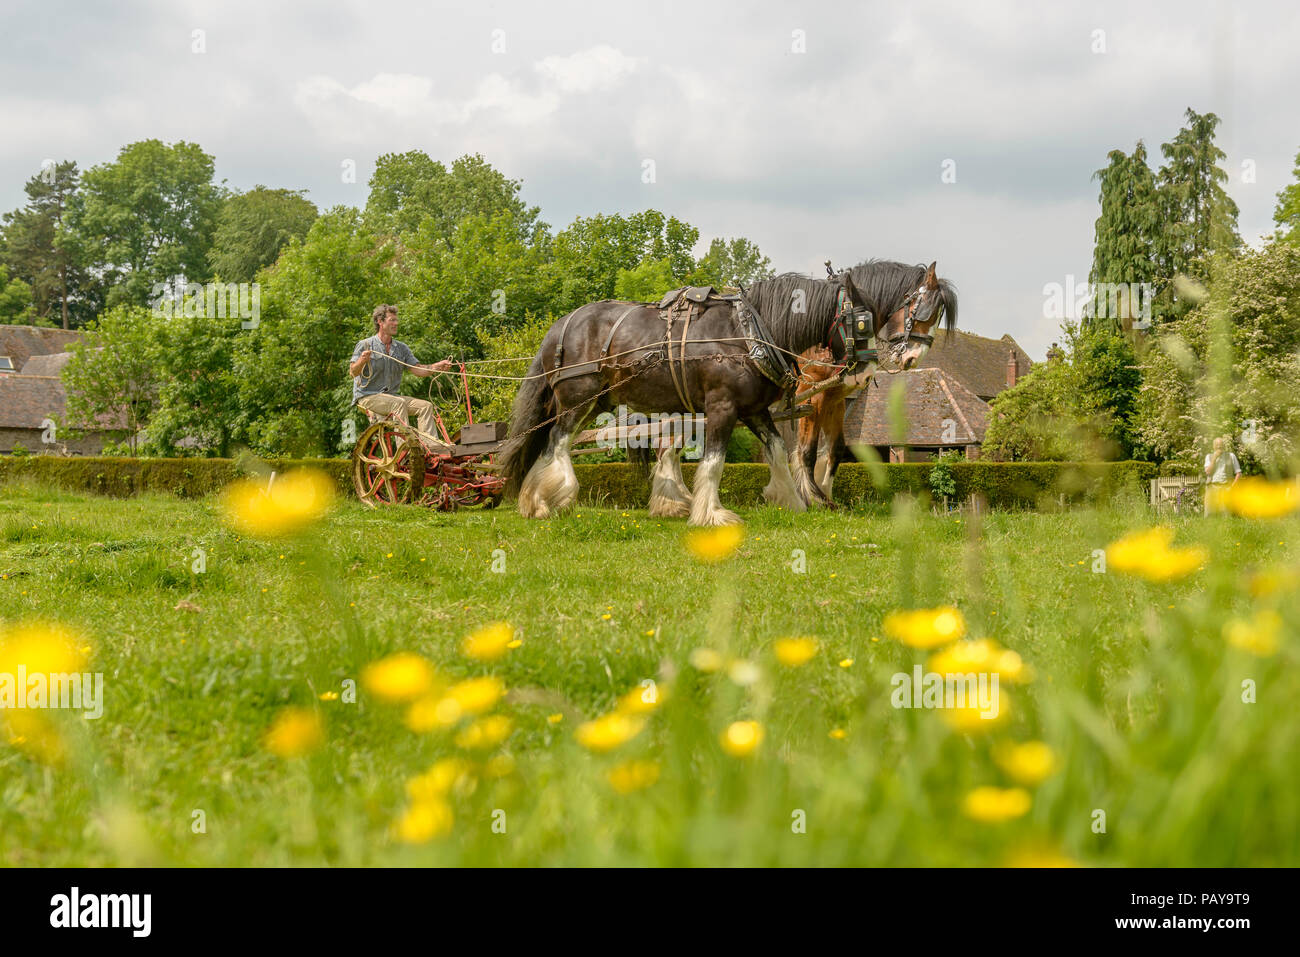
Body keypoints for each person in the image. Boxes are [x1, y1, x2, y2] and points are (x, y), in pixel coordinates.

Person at [349, 304, 452, 436]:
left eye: (396, 320)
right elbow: (353, 372)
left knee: (426, 407)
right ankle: (406, 450)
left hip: (392, 398)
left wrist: (436, 367)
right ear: (380, 322)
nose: (396, 323)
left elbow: (418, 370)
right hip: (368, 396)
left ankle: (431, 450)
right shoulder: (366, 345)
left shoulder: (401, 348)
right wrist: (362, 361)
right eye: (392, 320)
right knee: (398, 403)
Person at [1203, 435, 1241, 515]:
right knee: (1209, 514)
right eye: (1217, 445)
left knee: (1226, 514)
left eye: (1221, 444)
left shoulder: (1231, 456)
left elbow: (1238, 473)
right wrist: (1214, 458)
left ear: (1224, 446)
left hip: (1226, 487)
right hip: (1212, 488)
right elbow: (1208, 472)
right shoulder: (1209, 456)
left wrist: (1232, 487)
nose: (1219, 446)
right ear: (1213, 446)